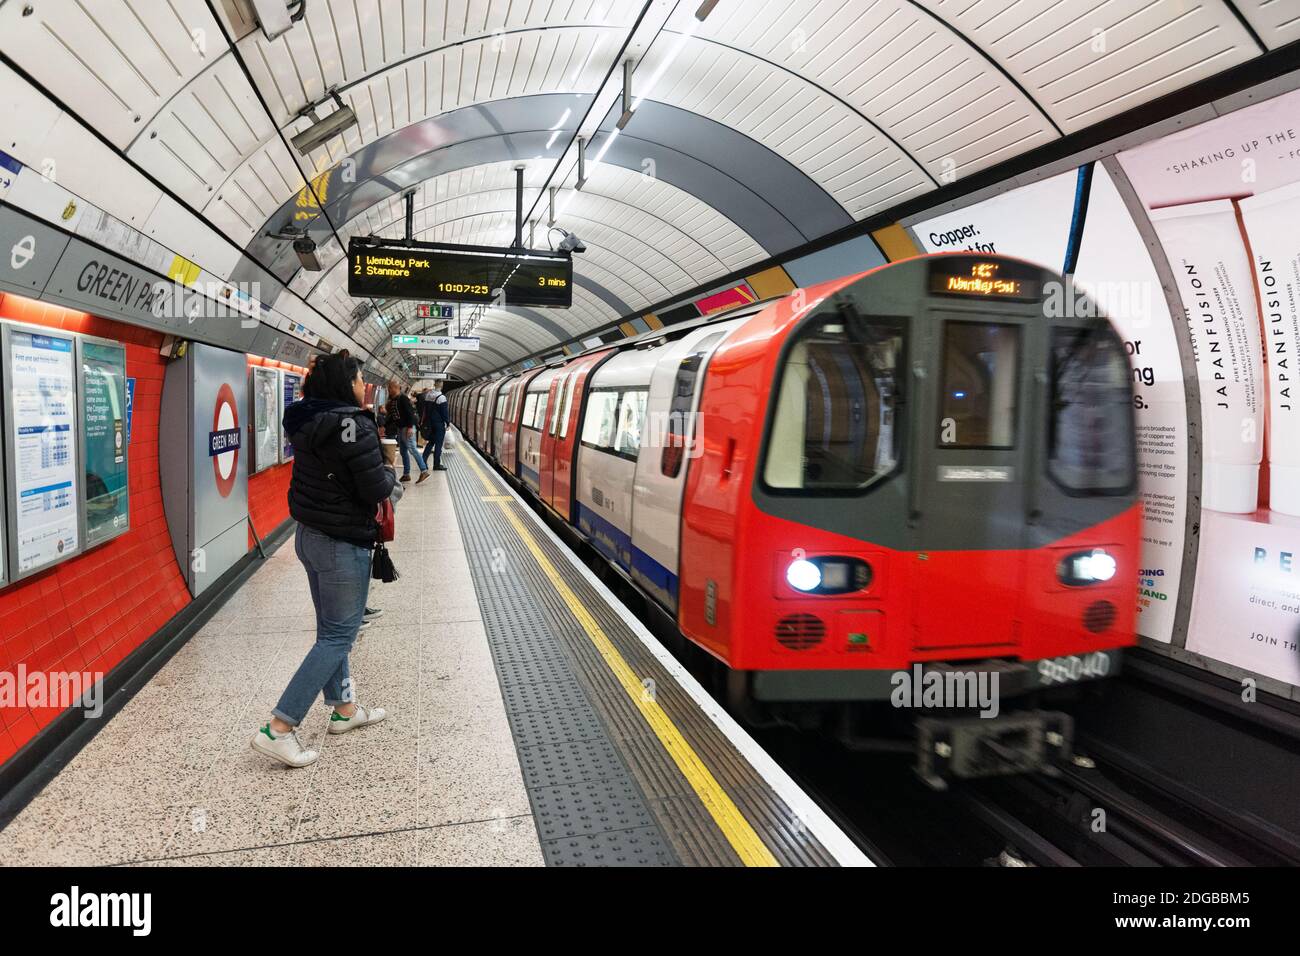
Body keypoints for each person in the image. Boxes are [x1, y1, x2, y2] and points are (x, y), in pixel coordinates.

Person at [251, 351, 395, 768]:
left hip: (309, 536)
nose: (362, 385)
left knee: (331, 630)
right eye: (359, 379)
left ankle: (344, 710)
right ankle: (278, 728)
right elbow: (373, 489)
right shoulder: (356, 424)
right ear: (343, 384)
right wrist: (388, 470)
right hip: (342, 541)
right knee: (338, 636)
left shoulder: (305, 420)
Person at [385, 379, 428, 484]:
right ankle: (406, 474)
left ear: (396, 387)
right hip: (400, 428)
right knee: (403, 451)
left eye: (390, 388)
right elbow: (393, 416)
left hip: (406, 428)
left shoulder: (403, 398)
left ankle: (424, 471)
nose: (388, 390)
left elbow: (410, 414)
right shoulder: (394, 399)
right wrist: (384, 425)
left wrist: (409, 427)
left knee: (412, 449)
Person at [421, 382, 451, 471]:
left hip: (430, 423)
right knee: (438, 444)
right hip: (438, 424)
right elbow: (444, 413)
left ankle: (423, 461)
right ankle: (436, 465)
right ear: (441, 386)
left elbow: (425, 409)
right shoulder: (442, 397)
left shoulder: (428, 395)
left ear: (434, 385)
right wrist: (447, 423)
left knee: (430, 443)